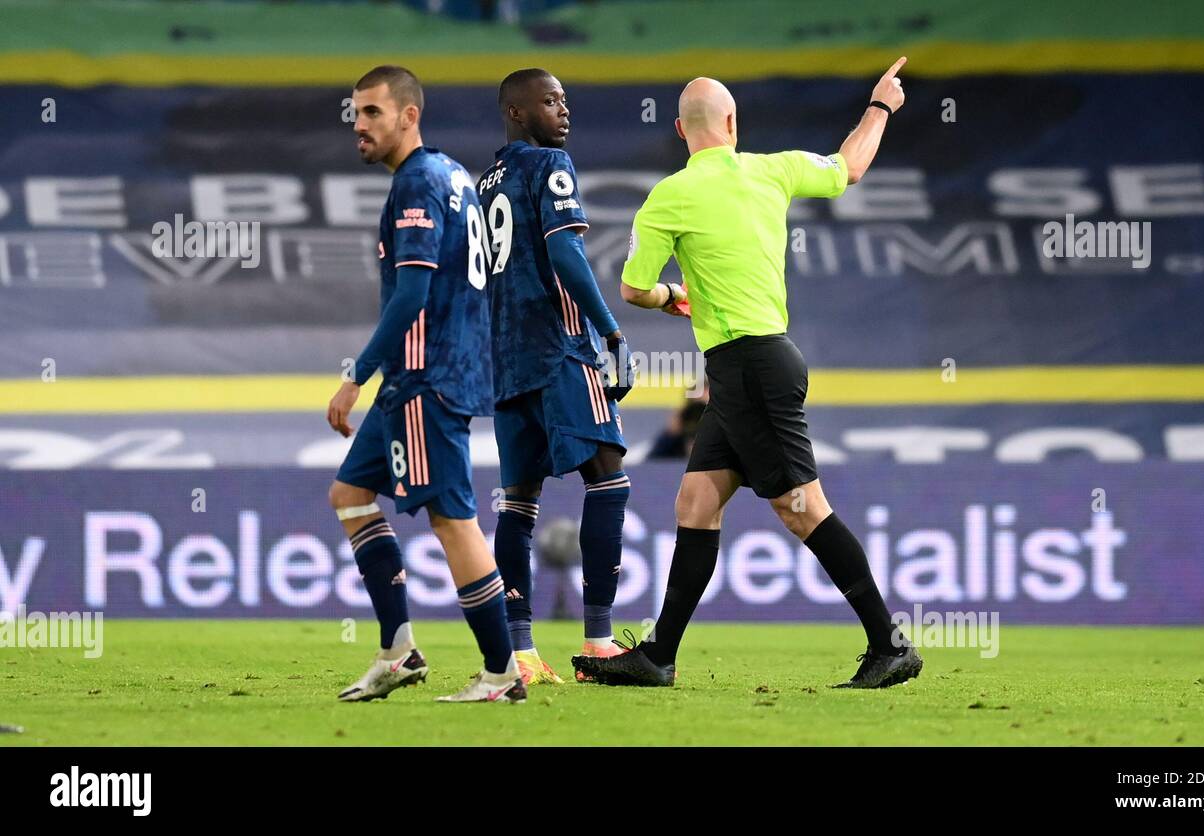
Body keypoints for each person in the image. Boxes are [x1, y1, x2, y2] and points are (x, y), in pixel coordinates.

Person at [573, 58, 922, 689]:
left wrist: (672, 297)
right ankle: (659, 655)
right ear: (732, 122)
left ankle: (889, 642)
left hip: (747, 368)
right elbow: (851, 167)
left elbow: (631, 288)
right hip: (754, 365)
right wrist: (881, 105)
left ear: (680, 132)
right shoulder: (774, 168)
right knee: (697, 500)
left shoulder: (669, 196)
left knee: (801, 508)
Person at [327, 65, 524, 704]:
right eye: (355, 113)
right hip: (429, 374)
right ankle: (399, 649)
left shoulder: (416, 184)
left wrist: (354, 376)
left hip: (426, 378)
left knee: (453, 521)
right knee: (350, 492)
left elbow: (411, 294)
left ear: (409, 115)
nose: (359, 125)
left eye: (373, 113)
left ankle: (502, 673)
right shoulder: (452, 175)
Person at [477, 68, 636, 684]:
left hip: (506, 360)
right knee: (609, 479)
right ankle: (598, 641)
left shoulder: (483, 182)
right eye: (549, 101)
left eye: (566, 99)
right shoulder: (550, 166)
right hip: (560, 347)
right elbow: (566, 251)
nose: (563, 111)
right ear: (517, 113)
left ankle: (520, 652)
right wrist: (611, 334)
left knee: (518, 502)